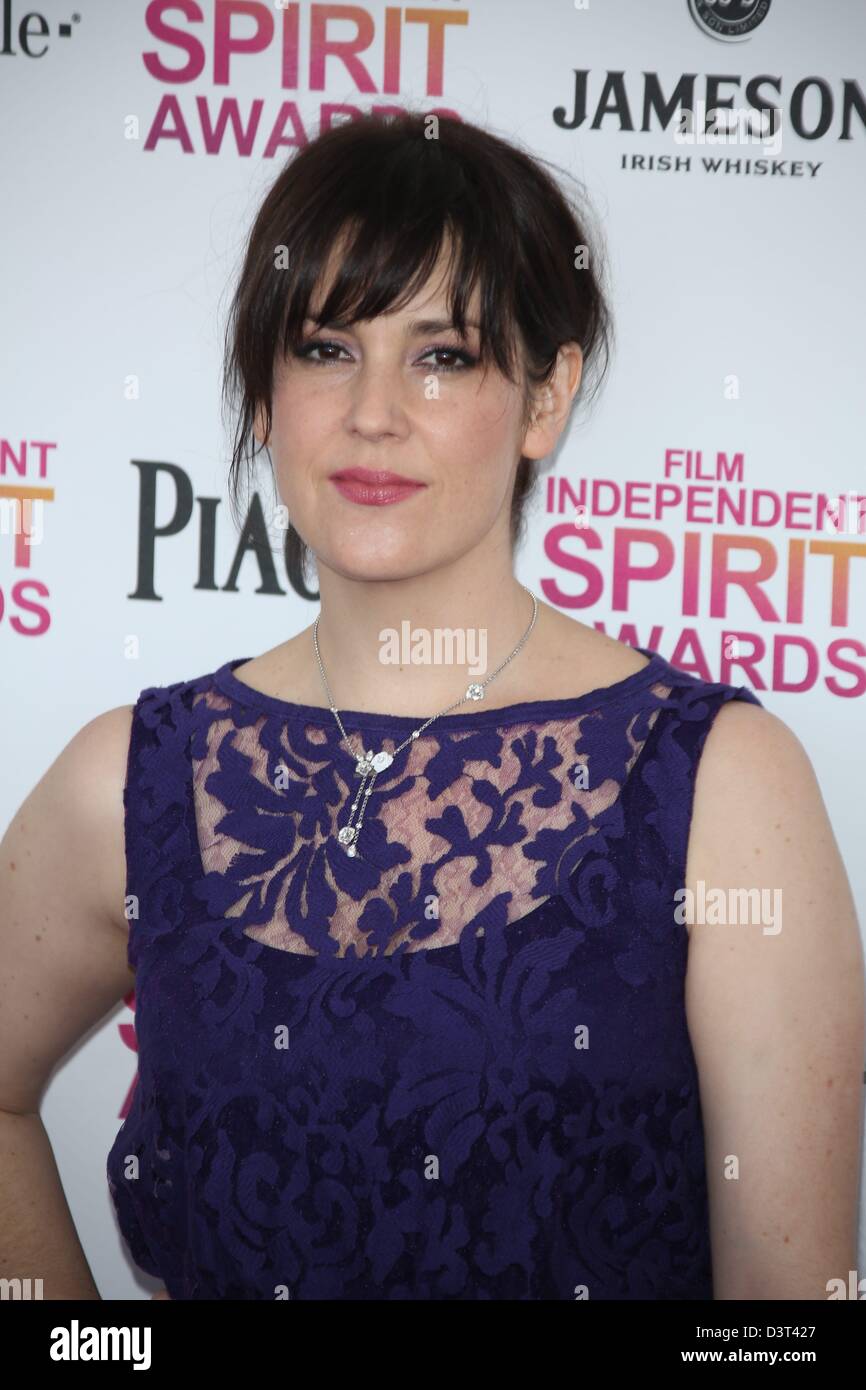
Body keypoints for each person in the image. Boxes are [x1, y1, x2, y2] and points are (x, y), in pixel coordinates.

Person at [1, 111, 863, 1302]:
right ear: (263, 390)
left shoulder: (719, 781)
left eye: (442, 353)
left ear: (545, 397)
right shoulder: (132, 776)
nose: (373, 413)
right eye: (324, 347)